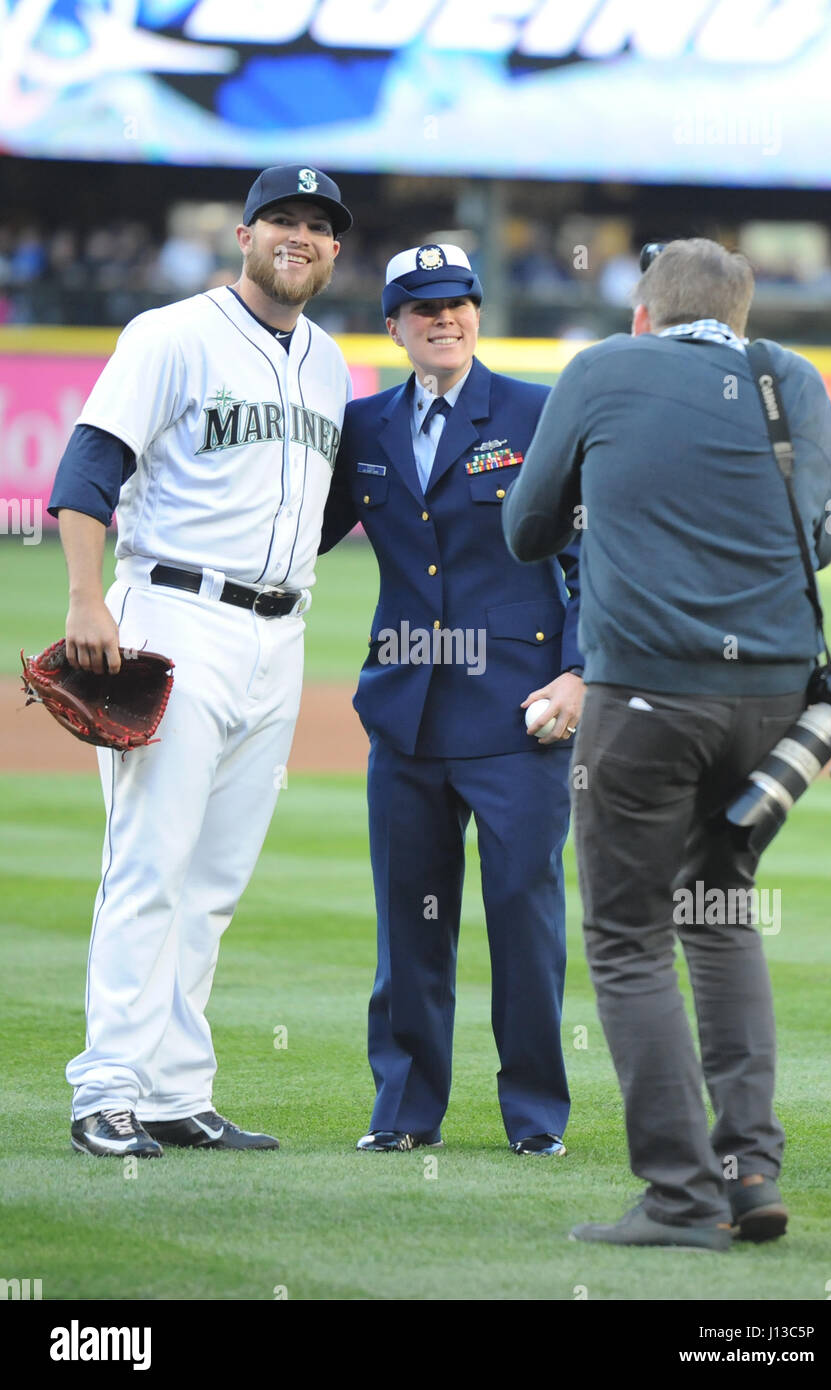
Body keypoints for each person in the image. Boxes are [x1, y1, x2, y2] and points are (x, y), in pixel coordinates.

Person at [502, 238, 831, 1247]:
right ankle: (748, 1168)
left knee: (628, 936)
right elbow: (819, 537)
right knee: (721, 913)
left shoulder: (604, 367)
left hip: (646, 697)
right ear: (741, 314)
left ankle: (680, 1196)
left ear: (642, 312)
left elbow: (526, 526)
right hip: (777, 707)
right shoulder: (793, 377)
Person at [48, 165, 353, 1158]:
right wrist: (88, 600)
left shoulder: (328, 364)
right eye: (282, 221)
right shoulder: (169, 334)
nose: (299, 236)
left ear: (336, 250)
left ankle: (178, 1089)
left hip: (279, 634)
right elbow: (88, 469)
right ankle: (107, 1088)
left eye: (319, 225)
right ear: (243, 234)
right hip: (176, 614)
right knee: (148, 860)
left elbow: (329, 504)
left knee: (214, 878)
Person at [320, 244, 584, 1155]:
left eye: (460, 302)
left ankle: (535, 1120)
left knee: (525, 923)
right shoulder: (361, 428)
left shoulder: (536, 413)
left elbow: (591, 558)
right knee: (410, 925)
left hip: (522, 717)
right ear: (393, 326)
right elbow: (294, 535)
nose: (446, 318)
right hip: (406, 715)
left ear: (478, 313)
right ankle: (402, 1115)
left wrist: (582, 671)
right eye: (424, 307)